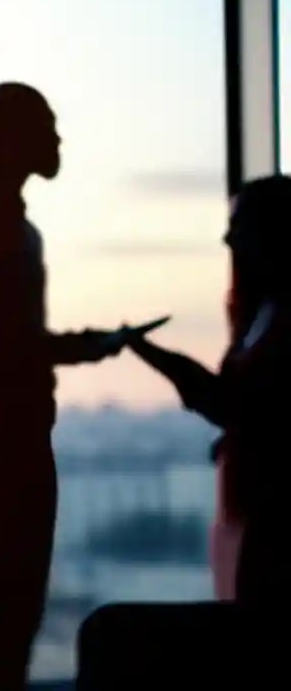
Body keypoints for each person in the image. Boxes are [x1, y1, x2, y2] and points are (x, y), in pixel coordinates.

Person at [0, 83, 154, 690]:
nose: (58, 138)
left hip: (8, 447)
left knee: (4, 623)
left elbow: (1, 343)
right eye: (47, 125)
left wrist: (81, 345)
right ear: (10, 138)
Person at [125, 175, 290, 607]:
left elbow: (229, 402)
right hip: (250, 512)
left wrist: (148, 353)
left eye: (239, 225)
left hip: (268, 518)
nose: (227, 238)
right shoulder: (269, 314)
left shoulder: (281, 321)